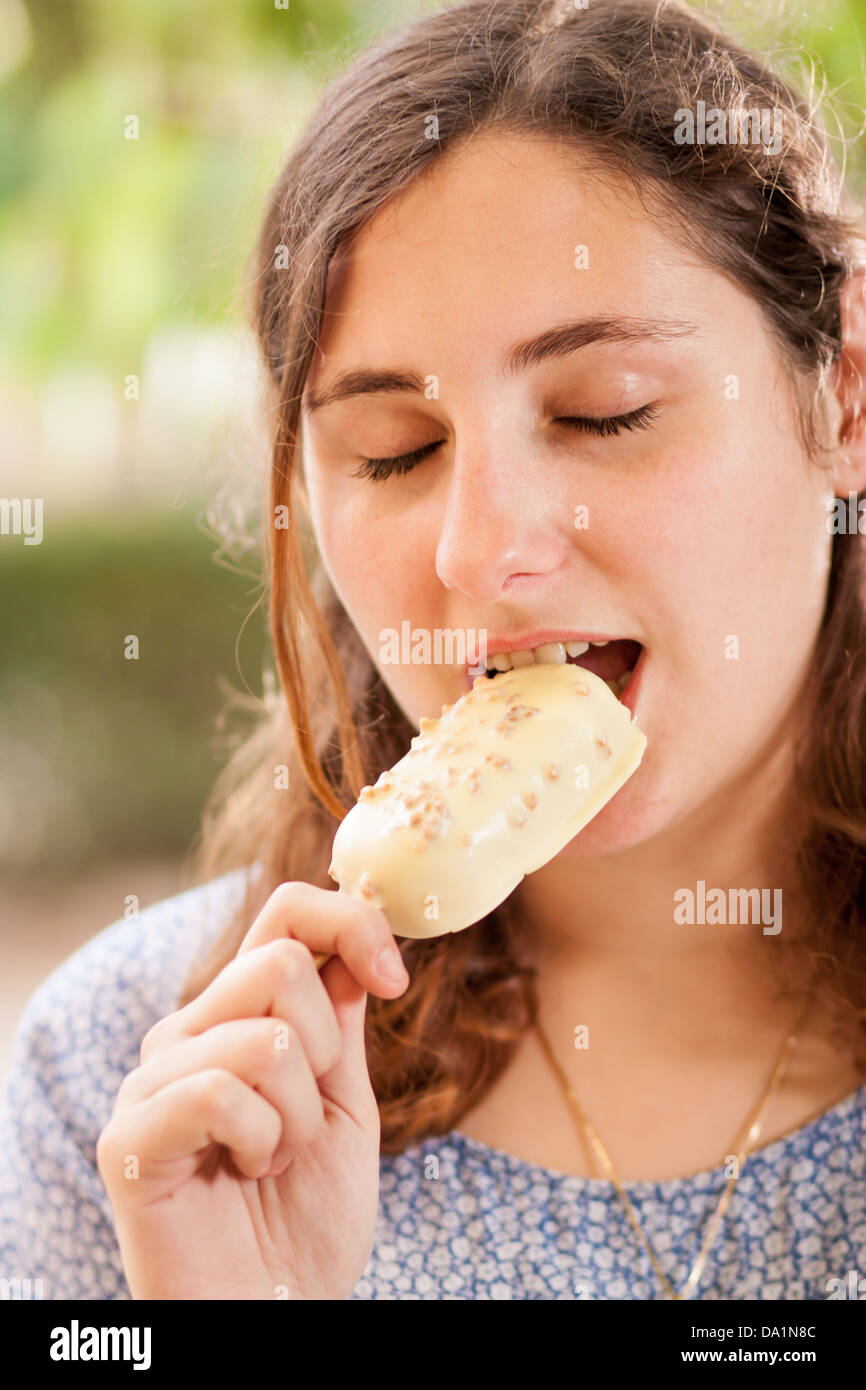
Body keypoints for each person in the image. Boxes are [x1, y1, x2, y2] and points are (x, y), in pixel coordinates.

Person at [3, 0, 866, 1301]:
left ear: (844, 391)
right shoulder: (132, 1079)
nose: (477, 549)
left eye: (601, 412)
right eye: (392, 451)